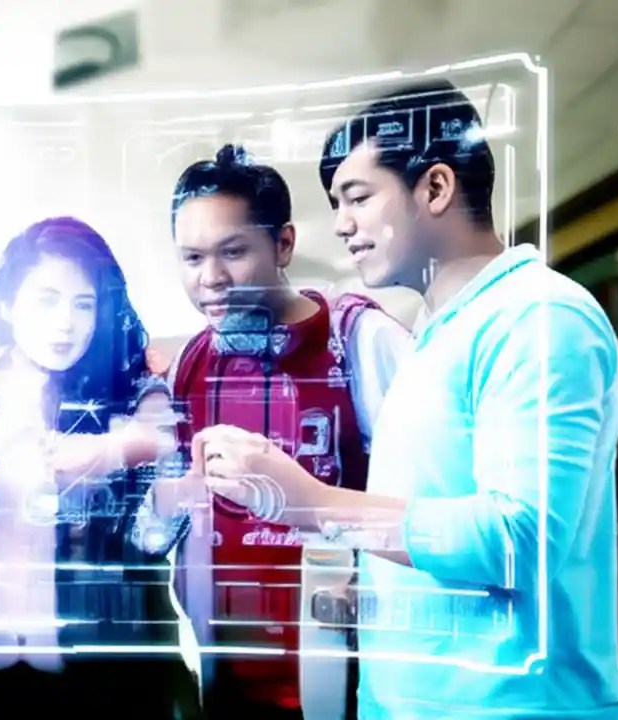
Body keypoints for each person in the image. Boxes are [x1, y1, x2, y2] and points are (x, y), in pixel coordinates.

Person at [193, 80, 618, 719]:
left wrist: (312, 503)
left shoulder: (538, 317)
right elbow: (441, 523)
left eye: (358, 197)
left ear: (435, 189)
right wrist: (373, 590)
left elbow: (519, 540)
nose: (341, 225)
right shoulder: (435, 338)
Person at [130, 145, 410, 720]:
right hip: (229, 674)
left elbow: (432, 512)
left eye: (233, 252)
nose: (211, 280)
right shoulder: (193, 363)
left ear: (283, 243)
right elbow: (164, 520)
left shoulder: (361, 341)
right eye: (191, 258)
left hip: (352, 674)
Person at [0, 217, 200, 719]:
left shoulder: (132, 386)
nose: (65, 323)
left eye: (83, 304)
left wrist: (132, 459)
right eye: (46, 299)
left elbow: (153, 538)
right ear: (8, 304)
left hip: (100, 662)